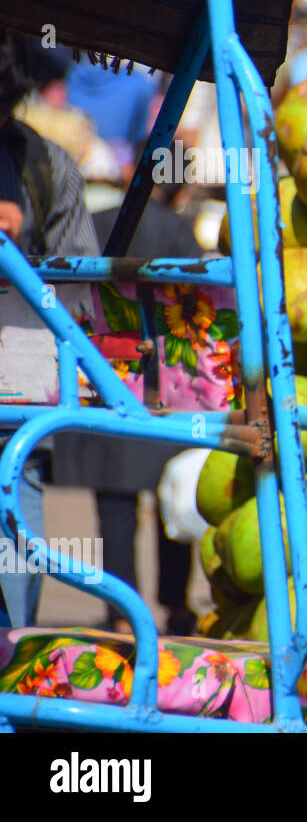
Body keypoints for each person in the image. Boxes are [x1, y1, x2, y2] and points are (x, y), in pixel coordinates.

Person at [52, 175, 201, 636]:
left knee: (114, 506)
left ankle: (120, 611)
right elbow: (198, 305)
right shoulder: (178, 229)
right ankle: (176, 607)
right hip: (165, 385)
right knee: (170, 505)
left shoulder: (94, 223)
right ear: (178, 189)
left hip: (105, 377)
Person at [0, 36, 98, 628]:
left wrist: (22, 261)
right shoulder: (50, 161)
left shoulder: (46, 165)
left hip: (16, 409)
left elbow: (79, 288)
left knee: (16, 563)